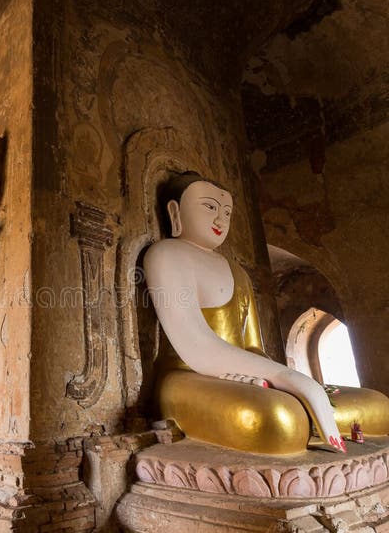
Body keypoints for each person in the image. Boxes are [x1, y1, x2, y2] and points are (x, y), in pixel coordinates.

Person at [144, 172, 389, 455]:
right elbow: (197, 346)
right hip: (185, 375)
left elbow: (253, 347)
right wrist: (292, 380)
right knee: (280, 418)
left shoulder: (237, 272)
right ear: (176, 211)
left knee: (376, 404)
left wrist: (280, 380)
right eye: (209, 207)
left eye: (226, 211)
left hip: (248, 374)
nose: (220, 219)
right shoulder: (167, 255)